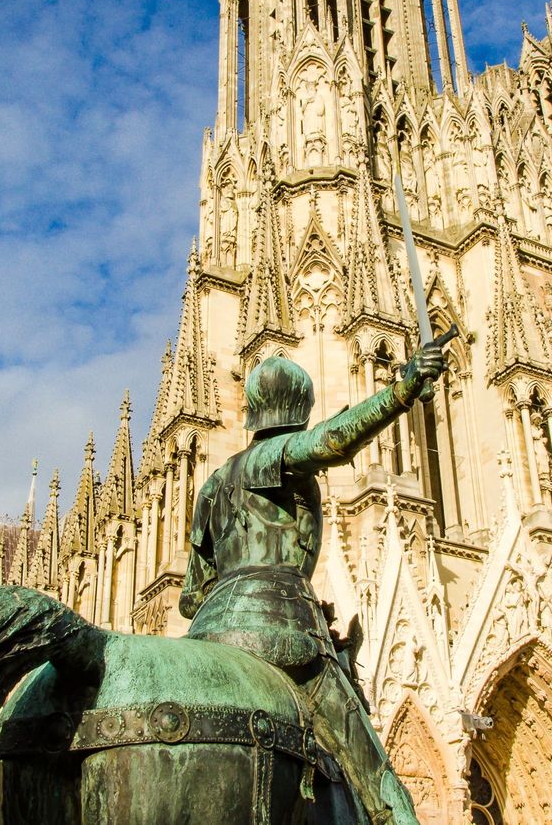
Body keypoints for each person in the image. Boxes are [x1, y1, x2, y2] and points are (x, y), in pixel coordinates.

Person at [179, 332, 453, 825]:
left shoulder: (213, 486)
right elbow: (334, 440)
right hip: (280, 631)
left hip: (207, 635)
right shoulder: (275, 456)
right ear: (296, 411)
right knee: (383, 786)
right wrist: (404, 389)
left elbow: (191, 596)